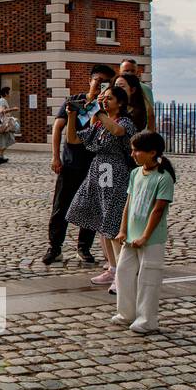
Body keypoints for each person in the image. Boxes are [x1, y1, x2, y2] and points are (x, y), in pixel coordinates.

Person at [45, 63, 117, 266]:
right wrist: (55, 156)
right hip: (70, 163)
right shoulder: (74, 101)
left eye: (106, 83)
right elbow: (58, 128)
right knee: (60, 207)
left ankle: (83, 248)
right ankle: (55, 247)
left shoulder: (107, 108)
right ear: (90, 81)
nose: (101, 86)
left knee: (92, 208)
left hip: (95, 164)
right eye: (98, 81)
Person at [67, 85, 137, 294]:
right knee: (101, 221)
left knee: (113, 222)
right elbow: (74, 139)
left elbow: (118, 131)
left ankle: (122, 273)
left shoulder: (124, 122)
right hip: (99, 172)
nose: (105, 101)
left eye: (110, 99)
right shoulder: (98, 125)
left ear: (121, 103)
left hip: (116, 173)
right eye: (103, 98)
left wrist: (96, 112)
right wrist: (72, 116)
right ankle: (112, 267)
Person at [112, 131, 176, 335]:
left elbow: (158, 210)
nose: (133, 154)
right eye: (132, 150)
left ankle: (147, 319)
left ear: (152, 152)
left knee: (148, 279)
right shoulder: (135, 174)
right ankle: (126, 313)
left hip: (151, 239)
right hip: (130, 237)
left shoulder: (163, 178)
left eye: (137, 151)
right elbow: (128, 204)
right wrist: (123, 230)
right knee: (123, 273)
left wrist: (145, 237)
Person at [118, 59, 155, 131]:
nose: (129, 73)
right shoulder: (113, 88)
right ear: (120, 72)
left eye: (132, 71)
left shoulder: (145, 89)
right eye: (126, 71)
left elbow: (150, 115)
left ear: (137, 72)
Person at [0, 86, 17, 156]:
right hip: (3, 124)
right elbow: (2, 111)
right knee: (5, 141)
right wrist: (13, 109)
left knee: (3, 141)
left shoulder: (0, 100)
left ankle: (0, 155)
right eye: (9, 92)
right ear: (6, 94)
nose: (10, 94)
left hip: (1, 124)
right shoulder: (3, 101)